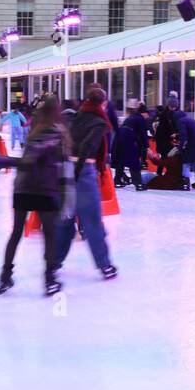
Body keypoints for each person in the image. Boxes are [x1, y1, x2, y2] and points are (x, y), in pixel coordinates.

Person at [0, 96, 71, 297]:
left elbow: (28, 158)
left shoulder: (33, 129)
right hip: (45, 190)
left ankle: (5, 275)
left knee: (16, 232)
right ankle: (49, 279)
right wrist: (66, 195)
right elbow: (64, 167)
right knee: (50, 234)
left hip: (22, 187)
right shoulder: (57, 132)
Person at [55, 87, 117, 279]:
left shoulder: (76, 117)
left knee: (65, 220)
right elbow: (87, 146)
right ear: (103, 104)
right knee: (92, 222)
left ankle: (54, 261)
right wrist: (77, 170)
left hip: (64, 171)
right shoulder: (99, 122)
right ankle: (104, 265)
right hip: (83, 173)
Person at [111, 102, 145, 190]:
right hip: (128, 137)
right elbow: (143, 134)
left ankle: (117, 181)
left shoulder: (130, 118)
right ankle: (138, 183)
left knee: (120, 158)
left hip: (119, 135)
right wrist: (146, 146)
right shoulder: (140, 118)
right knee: (134, 160)